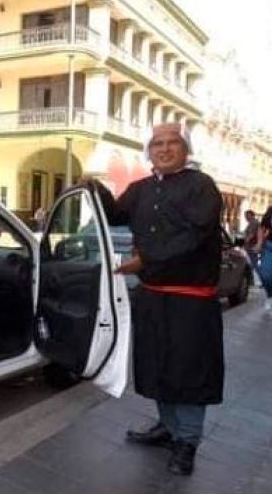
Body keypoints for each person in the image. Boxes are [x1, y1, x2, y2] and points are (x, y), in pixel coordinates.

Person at [86, 122, 224, 476]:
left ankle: (187, 440)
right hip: (152, 297)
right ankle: (168, 426)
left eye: (172, 142)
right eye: (157, 143)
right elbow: (117, 215)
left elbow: (194, 235)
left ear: (185, 149)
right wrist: (95, 188)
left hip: (190, 300)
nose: (164, 149)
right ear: (149, 151)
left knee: (189, 371)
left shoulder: (202, 187)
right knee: (159, 364)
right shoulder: (141, 188)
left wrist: (146, 260)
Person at [255, 207, 272, 310]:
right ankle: (270, 295)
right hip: (269, 247)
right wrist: (259, 243)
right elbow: (261, 228)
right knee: (264, 274)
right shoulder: (271, 211)